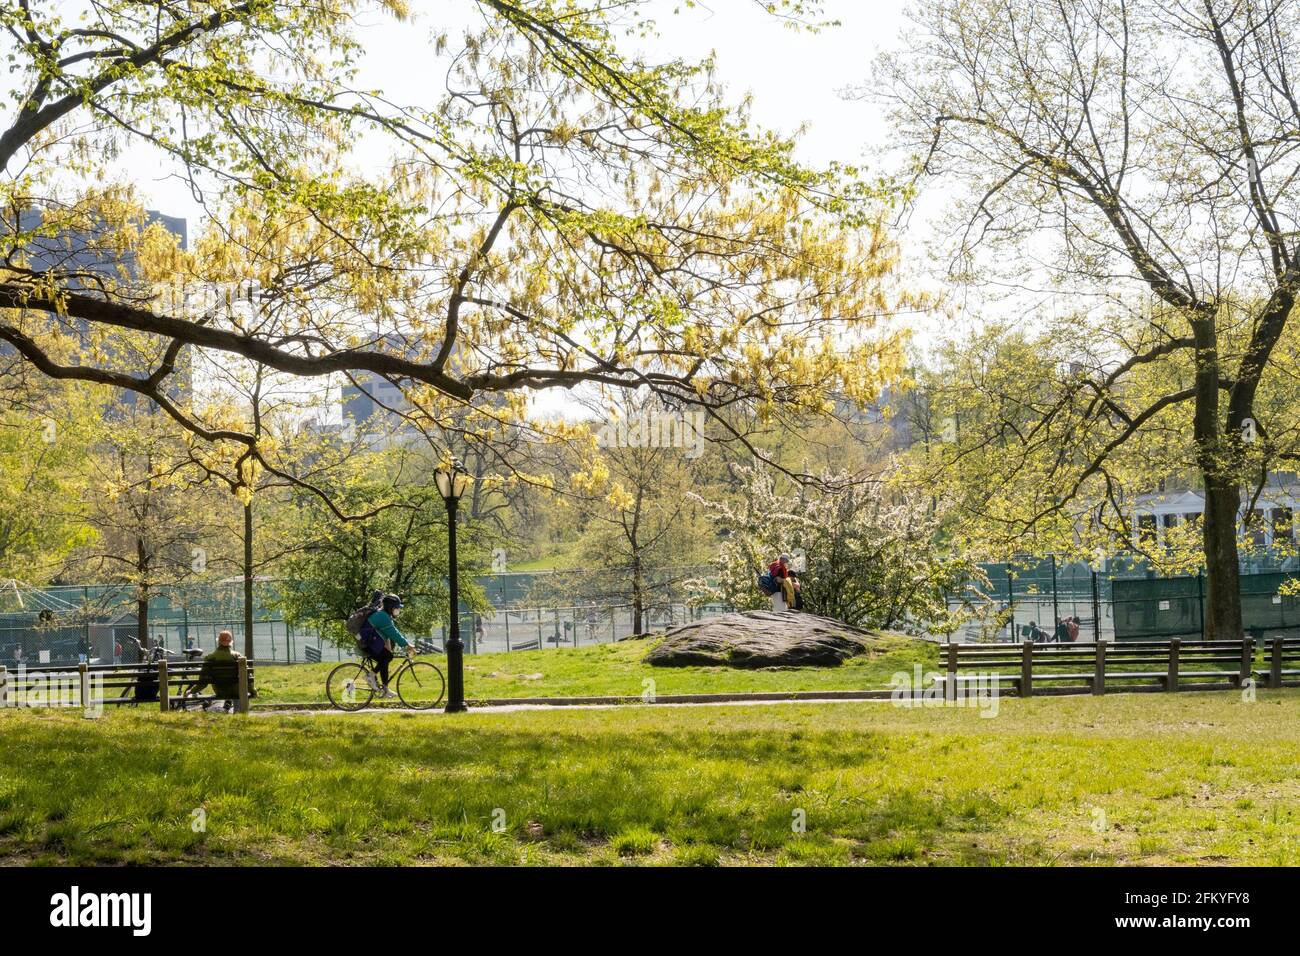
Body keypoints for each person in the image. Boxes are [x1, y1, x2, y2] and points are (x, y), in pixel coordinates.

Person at [358, 594, 411, 698]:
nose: (398, 610)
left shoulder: (385, 616)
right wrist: (407, 645)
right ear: (390, 607)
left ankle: (385, 690)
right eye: (396, 607)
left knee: (386, 659)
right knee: (387, 657)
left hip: (370, 643)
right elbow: (394, 633)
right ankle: (370, 676)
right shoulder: (383, 616)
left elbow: (386, 635)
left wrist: (389, 649)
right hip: (366, 644)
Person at [186, 630, 244, 701]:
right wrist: (253, 691)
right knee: (238, 692)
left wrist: (191, 691)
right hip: (236, 691)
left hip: (220, 692)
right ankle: (238, 710)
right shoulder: (238, 656)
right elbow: (246, 675)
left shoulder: (210, 657)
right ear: (231, 642)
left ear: (218, 641)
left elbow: (203, 681)